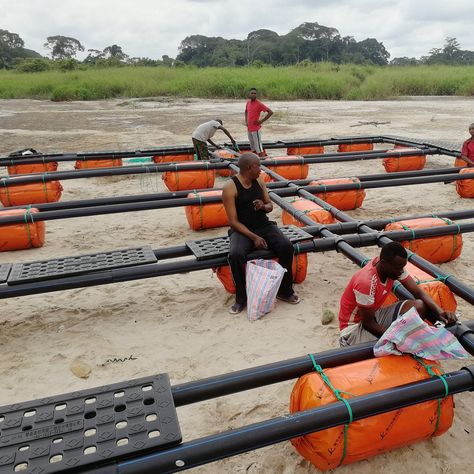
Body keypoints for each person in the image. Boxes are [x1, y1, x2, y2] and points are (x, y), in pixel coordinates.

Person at [222, 152, 300, 314]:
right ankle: (241, 298)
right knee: (235, 255)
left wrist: (263, 207)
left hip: (263, 225)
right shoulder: (230, 187)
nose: (261, 169)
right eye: (258, 166)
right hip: (242, 230)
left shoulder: (259, 180)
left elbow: (270, 205)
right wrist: (254, 237)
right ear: (249, 168)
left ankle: (285, 291)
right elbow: (233, 222)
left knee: (286, 246)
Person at [338, 241, 457, 346]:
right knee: (402, 341)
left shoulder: (393, 266)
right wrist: (398, 339)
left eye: (403, 267)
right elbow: (367, 324)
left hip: (373, 316)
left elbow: (418, 292)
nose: (401, 271)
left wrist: (440, 311)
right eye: (398, 268)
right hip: (353, 330)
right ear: (383, 263)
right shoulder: (366, 282)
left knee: (419, 306)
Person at [245, 88, 273, 158]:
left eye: (255, 93)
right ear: (249, 94)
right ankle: (255, 161)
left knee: (259, 148)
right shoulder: (248, 103)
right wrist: (246, 121)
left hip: (255, 129)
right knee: (253, 148)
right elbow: (246, 111)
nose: (253, 94)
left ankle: (263, 162)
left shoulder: (259, 104)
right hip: (249, 128)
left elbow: (270, 112)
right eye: (252, 93)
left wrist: (261, 121)